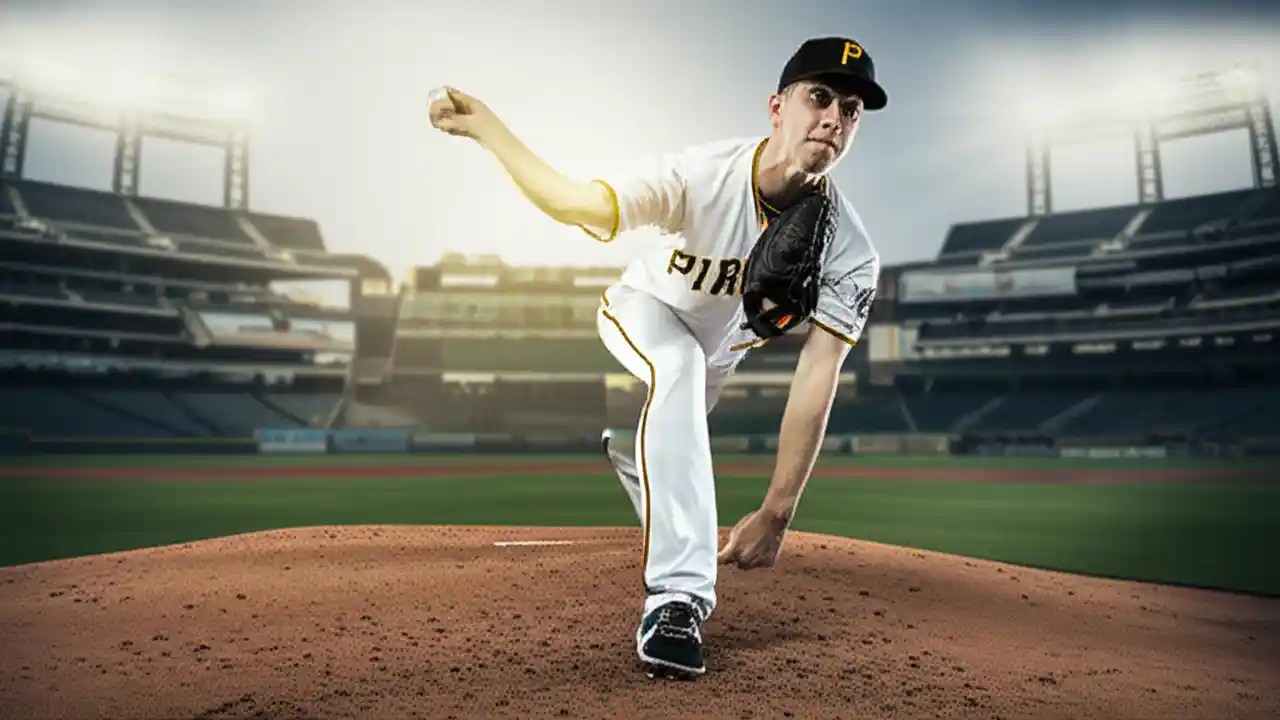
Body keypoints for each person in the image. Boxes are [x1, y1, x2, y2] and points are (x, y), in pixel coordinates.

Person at [427, 36, 885, 679]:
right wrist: (490, 131)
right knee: (676, 368)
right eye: (819, 97)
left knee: (679, 415)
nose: (835, 118)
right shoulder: (699, 177)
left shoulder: (851, 250)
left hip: (718, 355)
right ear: (777, 107)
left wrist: (778, 512)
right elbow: (576, 203)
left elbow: (819, 371)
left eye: (852, 109)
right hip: (645, 309)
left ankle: (628, 450)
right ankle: (677, 600)